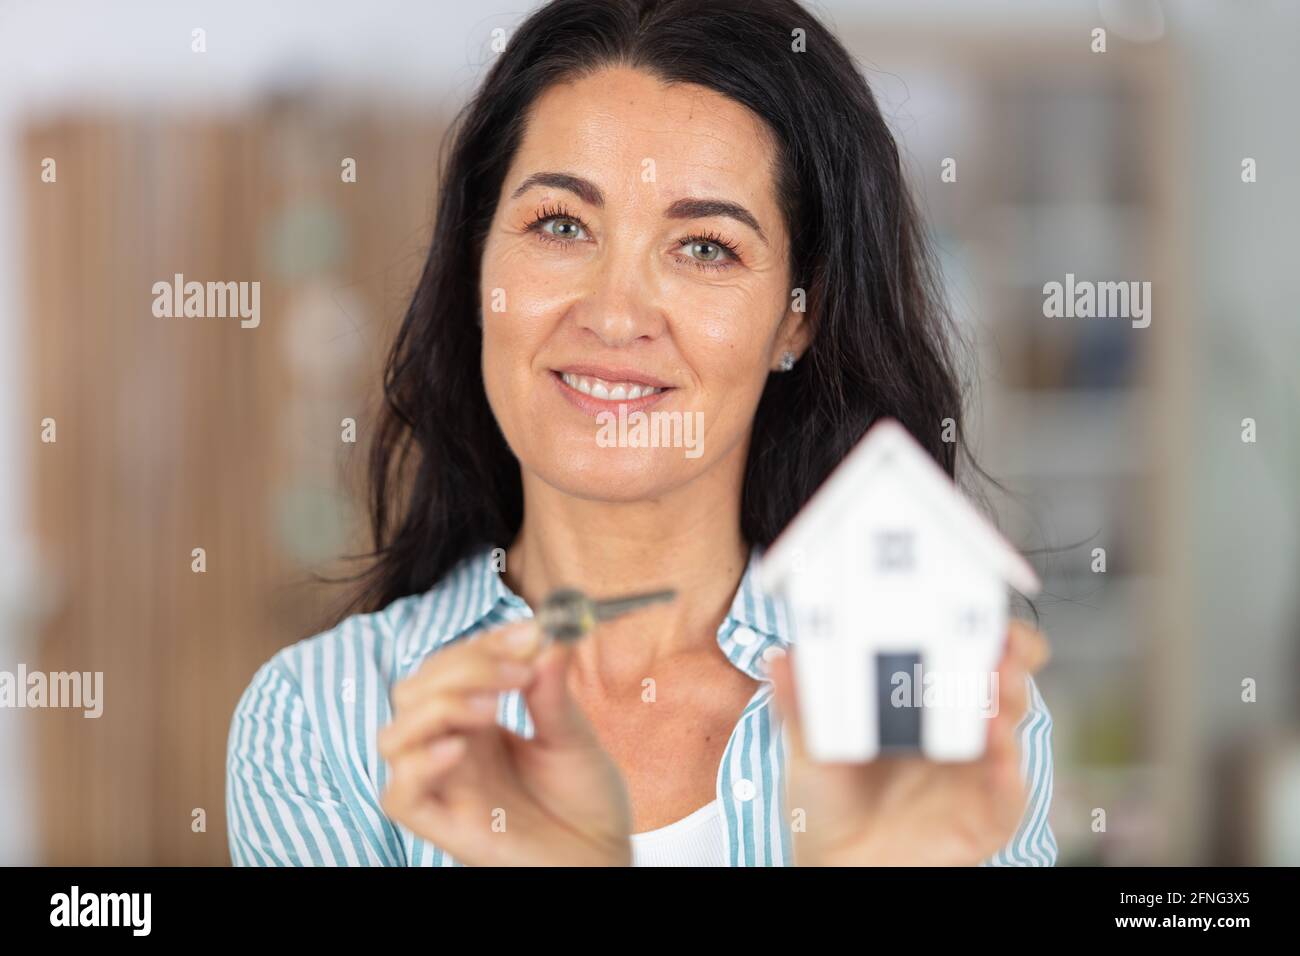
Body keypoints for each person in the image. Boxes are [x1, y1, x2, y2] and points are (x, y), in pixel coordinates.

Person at [226, 0, 1057, 866]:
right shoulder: (323, 722)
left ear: (797, 318)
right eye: (560, 225)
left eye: (705, 247)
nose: (616, 316)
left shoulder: (931, 708)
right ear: (477, 265)